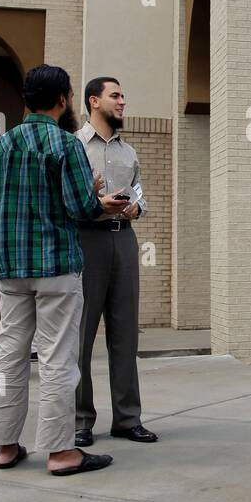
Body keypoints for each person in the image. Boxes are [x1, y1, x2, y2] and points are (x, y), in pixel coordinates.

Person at [0, 64, 130, 476]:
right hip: (57, 265)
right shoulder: (66, 145)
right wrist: (99, 198)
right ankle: (62, 452)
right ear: (63, 99)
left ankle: (6, 446)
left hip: (12, 269)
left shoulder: (0, 146)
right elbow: (81, 207)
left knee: (10, 357)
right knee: (58, 358)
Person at [73, 76, 156, 447]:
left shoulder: (129, 153)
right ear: (94, 101)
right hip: (85, 242)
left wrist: (136, 208)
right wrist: (95, 204)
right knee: (81, 336)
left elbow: (141, 195)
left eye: (124, 95)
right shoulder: (73, 147)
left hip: (124, 240)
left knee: (124, 335)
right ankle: (80, 421)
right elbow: (64, 201)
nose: (123, 102)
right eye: (115, 96)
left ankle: (127, 419)